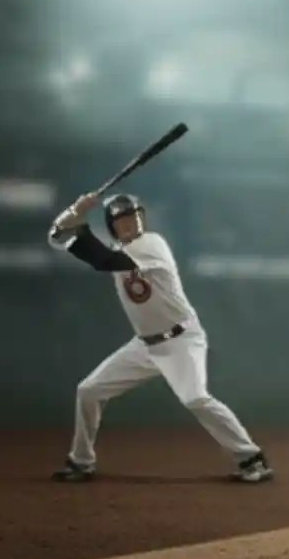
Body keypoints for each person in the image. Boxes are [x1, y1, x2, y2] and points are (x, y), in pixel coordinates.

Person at [46, 192, 274, 484]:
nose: (131, 224)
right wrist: (74, 213)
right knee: (88, 391)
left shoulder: (151, 243)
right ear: (113, 226)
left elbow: (103, 260)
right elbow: (57, 238)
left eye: (135, 217)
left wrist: (79, 222)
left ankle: (251, 458)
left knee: (195, 398)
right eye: (122, 220)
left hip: (181, 339)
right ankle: (80, 461)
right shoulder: (120, 246)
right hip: (144, 344)